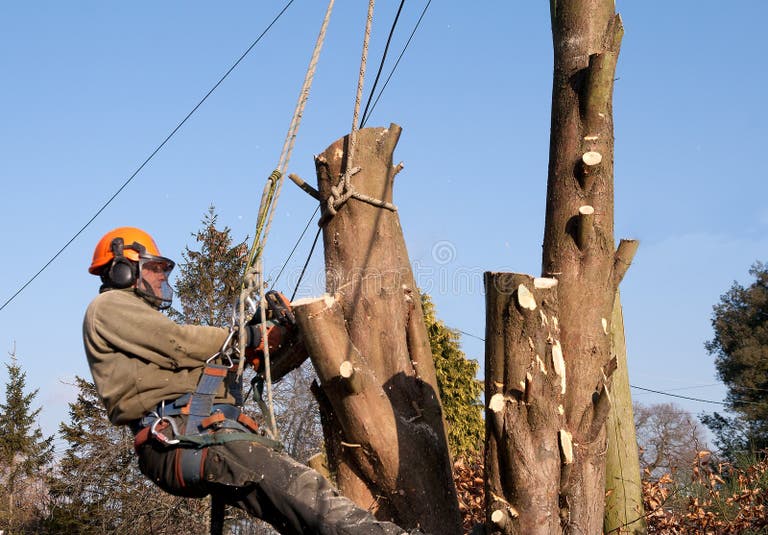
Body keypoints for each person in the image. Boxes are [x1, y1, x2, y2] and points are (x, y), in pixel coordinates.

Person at [83, 226, 414, 535]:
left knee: (298, 509)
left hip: (197, 431)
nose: (160, 278)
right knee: (299, 488)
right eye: (153, 269)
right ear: (122, 269)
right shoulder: (109, 306)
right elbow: (178, 343)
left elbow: (196, 363)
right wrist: (250, 336)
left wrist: (250, 342)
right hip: (179, 437)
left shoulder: (139, 331)